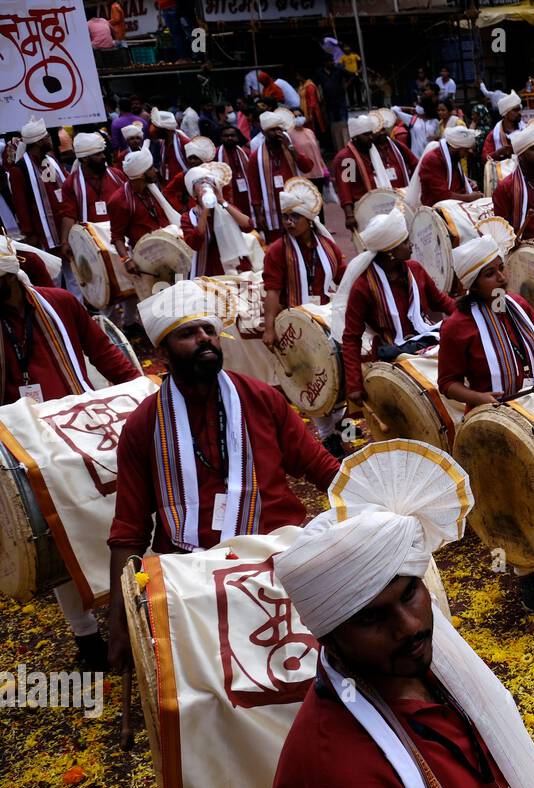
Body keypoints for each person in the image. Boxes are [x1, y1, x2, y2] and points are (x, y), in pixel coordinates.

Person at [267, 441, 534, 788]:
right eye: (370, 619)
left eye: (410, 593)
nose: (408, 626)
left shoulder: (432, 667)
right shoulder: (340, 785)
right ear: (328, 633)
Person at [106, 281, 340, 668]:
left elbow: (322, 469)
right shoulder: (143, 425)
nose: (205, 340)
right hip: (192, 574)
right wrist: (121, 620)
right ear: (161, 353)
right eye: (187, 334)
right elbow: (128, 531)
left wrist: (372, 508)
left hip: (279, 556)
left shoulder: (260, 397)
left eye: (209, 330)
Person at [0, 238, 139, 667]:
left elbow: (104, 355)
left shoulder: (60, 303)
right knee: (58, 538)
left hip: (84, 431)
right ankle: (87, 639)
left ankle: (138, 617)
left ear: (9, 277)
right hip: (28, 450)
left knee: (121, 527)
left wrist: (144, 396)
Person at [437, 236, 534, 611]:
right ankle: (525, 572)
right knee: (513, 495)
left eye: (501, 269)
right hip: (493, 423)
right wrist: (479, 398)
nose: (502, 278)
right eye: (490, 275)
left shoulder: (519, 306)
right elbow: (448, 383)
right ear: (473, 284)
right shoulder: (456, 327)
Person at [261, 180, 349, 457]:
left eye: (294, 217)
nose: (288, 222)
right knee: (311, 380)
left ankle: (341, 430)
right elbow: (272, 291)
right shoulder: (277, 251)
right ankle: (329, 439)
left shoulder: (328, 246)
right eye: (285, 217)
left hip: (328, 320)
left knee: (341, 377)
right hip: (297, 327)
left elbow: (344, 278)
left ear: (309, 219)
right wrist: (269, 327)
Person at [337, 210, 457, 408]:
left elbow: (442, 302)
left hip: (428, 340)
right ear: (390, 252)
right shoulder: (363, 287)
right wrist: (354, 384)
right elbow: (351, 337)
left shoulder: (415, 269)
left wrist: (470, 314)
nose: (411, 245)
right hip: (392, 355)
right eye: (405, 242)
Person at [109, 149, 183, 275]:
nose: (155, 171)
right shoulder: (119, 201)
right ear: (141, 174)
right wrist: (126, 259)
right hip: (147, 259)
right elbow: (117, 237)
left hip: (172, 251)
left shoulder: (153, 190)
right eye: (150, 169)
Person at [179, 163, 254, 278]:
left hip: (231, 268)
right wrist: (205, 210)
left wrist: (222, 201)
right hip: (205, 270)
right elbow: (196, 242)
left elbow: (248, 226)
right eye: (200, 182)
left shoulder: (224, 209)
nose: (205, 184)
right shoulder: (188, 217)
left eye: (208, 180)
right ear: (194, 193)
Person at [8, 117, 67, 256]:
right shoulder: (19, 169)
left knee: (72, 272)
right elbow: (20, 204)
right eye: (47, 137)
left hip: (63, 223)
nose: (50, 138)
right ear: (39, 142)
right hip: (42, 229)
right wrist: (29, 233)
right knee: (55, 274)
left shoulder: (52, 160)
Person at [331, 115, 391, 234]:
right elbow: (346, 188)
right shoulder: (348, 158)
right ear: (355, 137)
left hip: (381, 203)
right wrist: (349, 215)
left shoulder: (372, 152)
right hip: (363, 208)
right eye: (366, 134)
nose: (370, 137)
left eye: (371, 133)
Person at [250, 110, 305, 242]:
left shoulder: (290, 149)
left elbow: (307, 167)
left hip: (295, 203)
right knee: (277, 244)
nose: (277, 133)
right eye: (272, 130)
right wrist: (258, 215)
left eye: (279, 129)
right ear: (264, 133)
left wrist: (290, 147)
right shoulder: (255, 157)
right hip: (272, 210)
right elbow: (254, 187)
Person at [59, 133, 126, 232]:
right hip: (92, 239)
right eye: (98, 154)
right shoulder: (71, 184)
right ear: (85, 158)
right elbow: (69, 215)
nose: (103, 156)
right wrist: (65, 243)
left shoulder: (116, 175)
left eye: (102, 152)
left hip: (121, 233)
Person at [412, 126, 482, 206]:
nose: (467, 154)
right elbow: (443, 196)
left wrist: (467, 182)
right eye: (466, 150)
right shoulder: (432, 160)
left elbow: (450, 178)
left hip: (456, 204)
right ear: (454, 148)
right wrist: (470, 197)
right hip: (437, 208)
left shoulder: (452, 156)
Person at [215, 125, 255, 219]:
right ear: (221, 138)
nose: (230, 138)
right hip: (227, 197)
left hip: (245, 195)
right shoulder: (216, 155)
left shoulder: (245, 153)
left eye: (233, 135)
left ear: (237, 137)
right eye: (226, 136)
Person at [372, 114, 419, 189]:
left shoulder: (397, 145)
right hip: (382, 195)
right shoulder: (368, 151)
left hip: (403, 192)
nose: (382, 133)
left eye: (383, 129)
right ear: (371, 133)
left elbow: (415, 164)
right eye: (378, 131)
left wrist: (413, 184)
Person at [290, 114, 329, 197]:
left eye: (300, 115)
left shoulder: (309, 131)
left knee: (319, 201)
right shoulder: (289, 134)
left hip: (318, 172)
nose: (298, 118)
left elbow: (317, 152)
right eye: (295, 116)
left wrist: (324, 168)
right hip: (304, 174)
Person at [149, 108, 191, 183]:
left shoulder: (184, 143)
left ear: (166, 130)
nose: (154, 131)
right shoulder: (162, 143)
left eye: (157, 129)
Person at [482, 90, 523, 163]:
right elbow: (485, 158)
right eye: (516, 110)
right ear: (505, 113)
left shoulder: (526, 129)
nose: (519, 113)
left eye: (520, 110)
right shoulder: (493, 135)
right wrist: (498, 154)